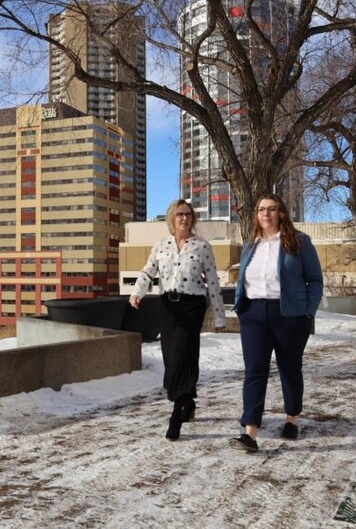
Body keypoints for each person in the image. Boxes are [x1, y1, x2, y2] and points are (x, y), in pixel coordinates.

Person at [228, 194, 323, 453]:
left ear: (281, 213)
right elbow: (242, 278)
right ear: (256, 214)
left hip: (289, 315)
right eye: (261, 209)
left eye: (271, 209)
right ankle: (250, 432)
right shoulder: (251, 244)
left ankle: (292, 417)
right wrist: (241, 306)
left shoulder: (299, 242)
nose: (266, 214)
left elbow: (315, 280)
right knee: (254, 371)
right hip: (253, 314)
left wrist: (307, 312)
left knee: (289, 368)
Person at [129, 199, 226, 441]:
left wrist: (219, 315)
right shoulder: (161, 245)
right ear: (171, 218)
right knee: (172, 357)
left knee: (183, 352)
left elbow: (212, 280)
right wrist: (137, 292)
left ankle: (177, 411)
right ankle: (188, 399)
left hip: (192, 306)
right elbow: (148, 270)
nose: (184, 218)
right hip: (167, 306)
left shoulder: (202, 246)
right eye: (179, 214)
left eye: (188, 214)